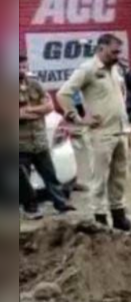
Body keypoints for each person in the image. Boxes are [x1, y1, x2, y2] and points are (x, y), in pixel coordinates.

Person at [57, 34, 131, 230]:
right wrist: (78, 118)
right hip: (100, 133)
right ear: (101, 48)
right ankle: (99, 218)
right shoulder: (88, 69)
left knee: (119, 176)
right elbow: (63, 94)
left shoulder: (115, 69)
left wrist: (128, 128)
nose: (117, 55)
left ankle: (118, 215)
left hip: (120, 132)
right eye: (113, 51)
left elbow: (119, 99)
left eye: (119, 52)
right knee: (99, 179)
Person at [19, 54, 75, 220]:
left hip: (40, 141)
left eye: (25, 66)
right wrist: (37, 110)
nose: (23, 70)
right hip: (20, 144)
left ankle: (61, 203)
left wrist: (28, 110)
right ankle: (30, 209)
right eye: (19, 67)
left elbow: (49, 106)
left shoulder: (35, 85)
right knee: (23, 180)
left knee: (50, 175)